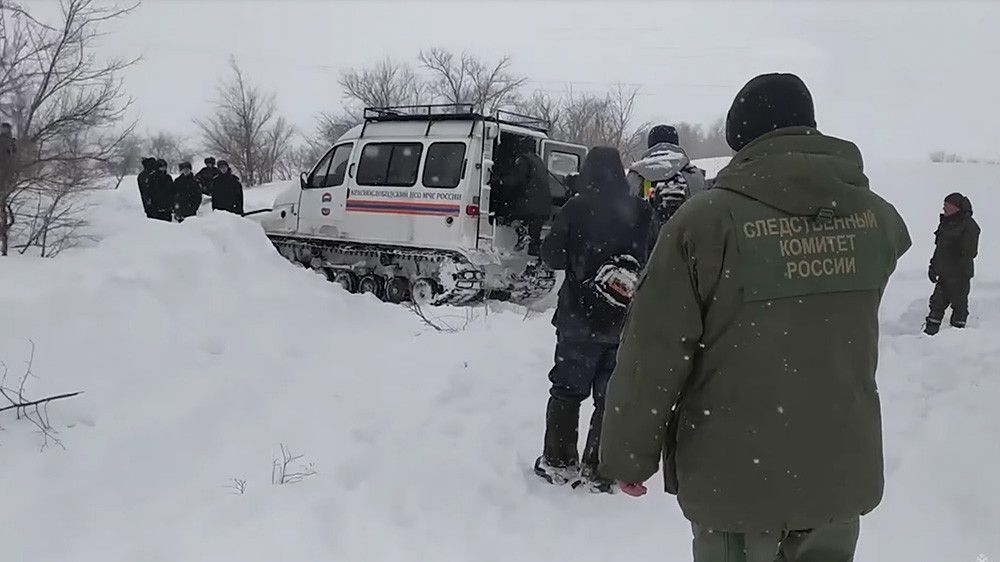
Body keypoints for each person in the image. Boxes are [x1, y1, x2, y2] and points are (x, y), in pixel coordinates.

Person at [599, 73, 911, 561]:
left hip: (737, 477)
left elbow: (654, 351)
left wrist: (628, 454)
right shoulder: (878, 218)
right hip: (837, 468)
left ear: (740, 138)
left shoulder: (705, 224)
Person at [534, 146, 657, 494]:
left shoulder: (576, 207)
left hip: (578, 320)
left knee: (567, 390)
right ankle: (599, 469)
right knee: (610, 396)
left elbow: (552, 256)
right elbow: (657, 259)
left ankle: (559, 463)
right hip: (625, 321)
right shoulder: (643, 211)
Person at [627, 124, 707, 223]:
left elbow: (626, 212)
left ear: (650, 145)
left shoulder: (636, 174)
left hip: (644, 236)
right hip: (683, 235)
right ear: (676, 144)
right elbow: (703, 212)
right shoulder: (691, 172)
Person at [925, 192, 980, 334]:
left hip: (959, 276)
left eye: (947, 206)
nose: (944, 209)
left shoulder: (969, 226)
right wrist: (933, 267)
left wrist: (958, 270)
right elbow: (939, 249)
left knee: (959, 307)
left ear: (956, 207)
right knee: (936, 305)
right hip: (943, 274)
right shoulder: (945, 223)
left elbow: (970, 252)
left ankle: (957, 340)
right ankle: (928, 338)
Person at [493, 138, 551, 256]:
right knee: (535, 229)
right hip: (544, 205)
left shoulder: (524, 160)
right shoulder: (539, 161)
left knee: (507, 212)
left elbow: (517, 179)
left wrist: (499, 181)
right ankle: (535, 251)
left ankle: (521, 232)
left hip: (529, 205)